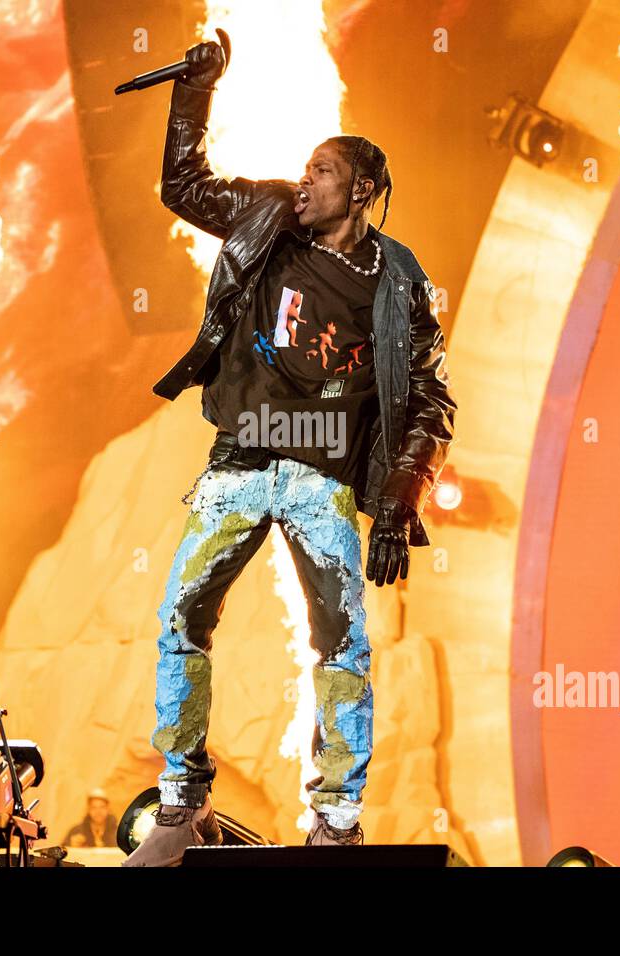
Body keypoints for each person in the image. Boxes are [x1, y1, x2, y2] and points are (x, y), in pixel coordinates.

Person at [123, 36, 456, 866]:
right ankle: (179, 805)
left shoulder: (397, 282)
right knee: (180, 618)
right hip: (237, 461)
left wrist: (401, 500)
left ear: (364, 190)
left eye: (322, 173)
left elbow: (430, 399)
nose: (304, 182)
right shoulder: (269, 216)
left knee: (341, 644)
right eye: (304, 170)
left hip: (320, 480)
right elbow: (183, 187)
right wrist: (192, 96)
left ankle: (336, 823)